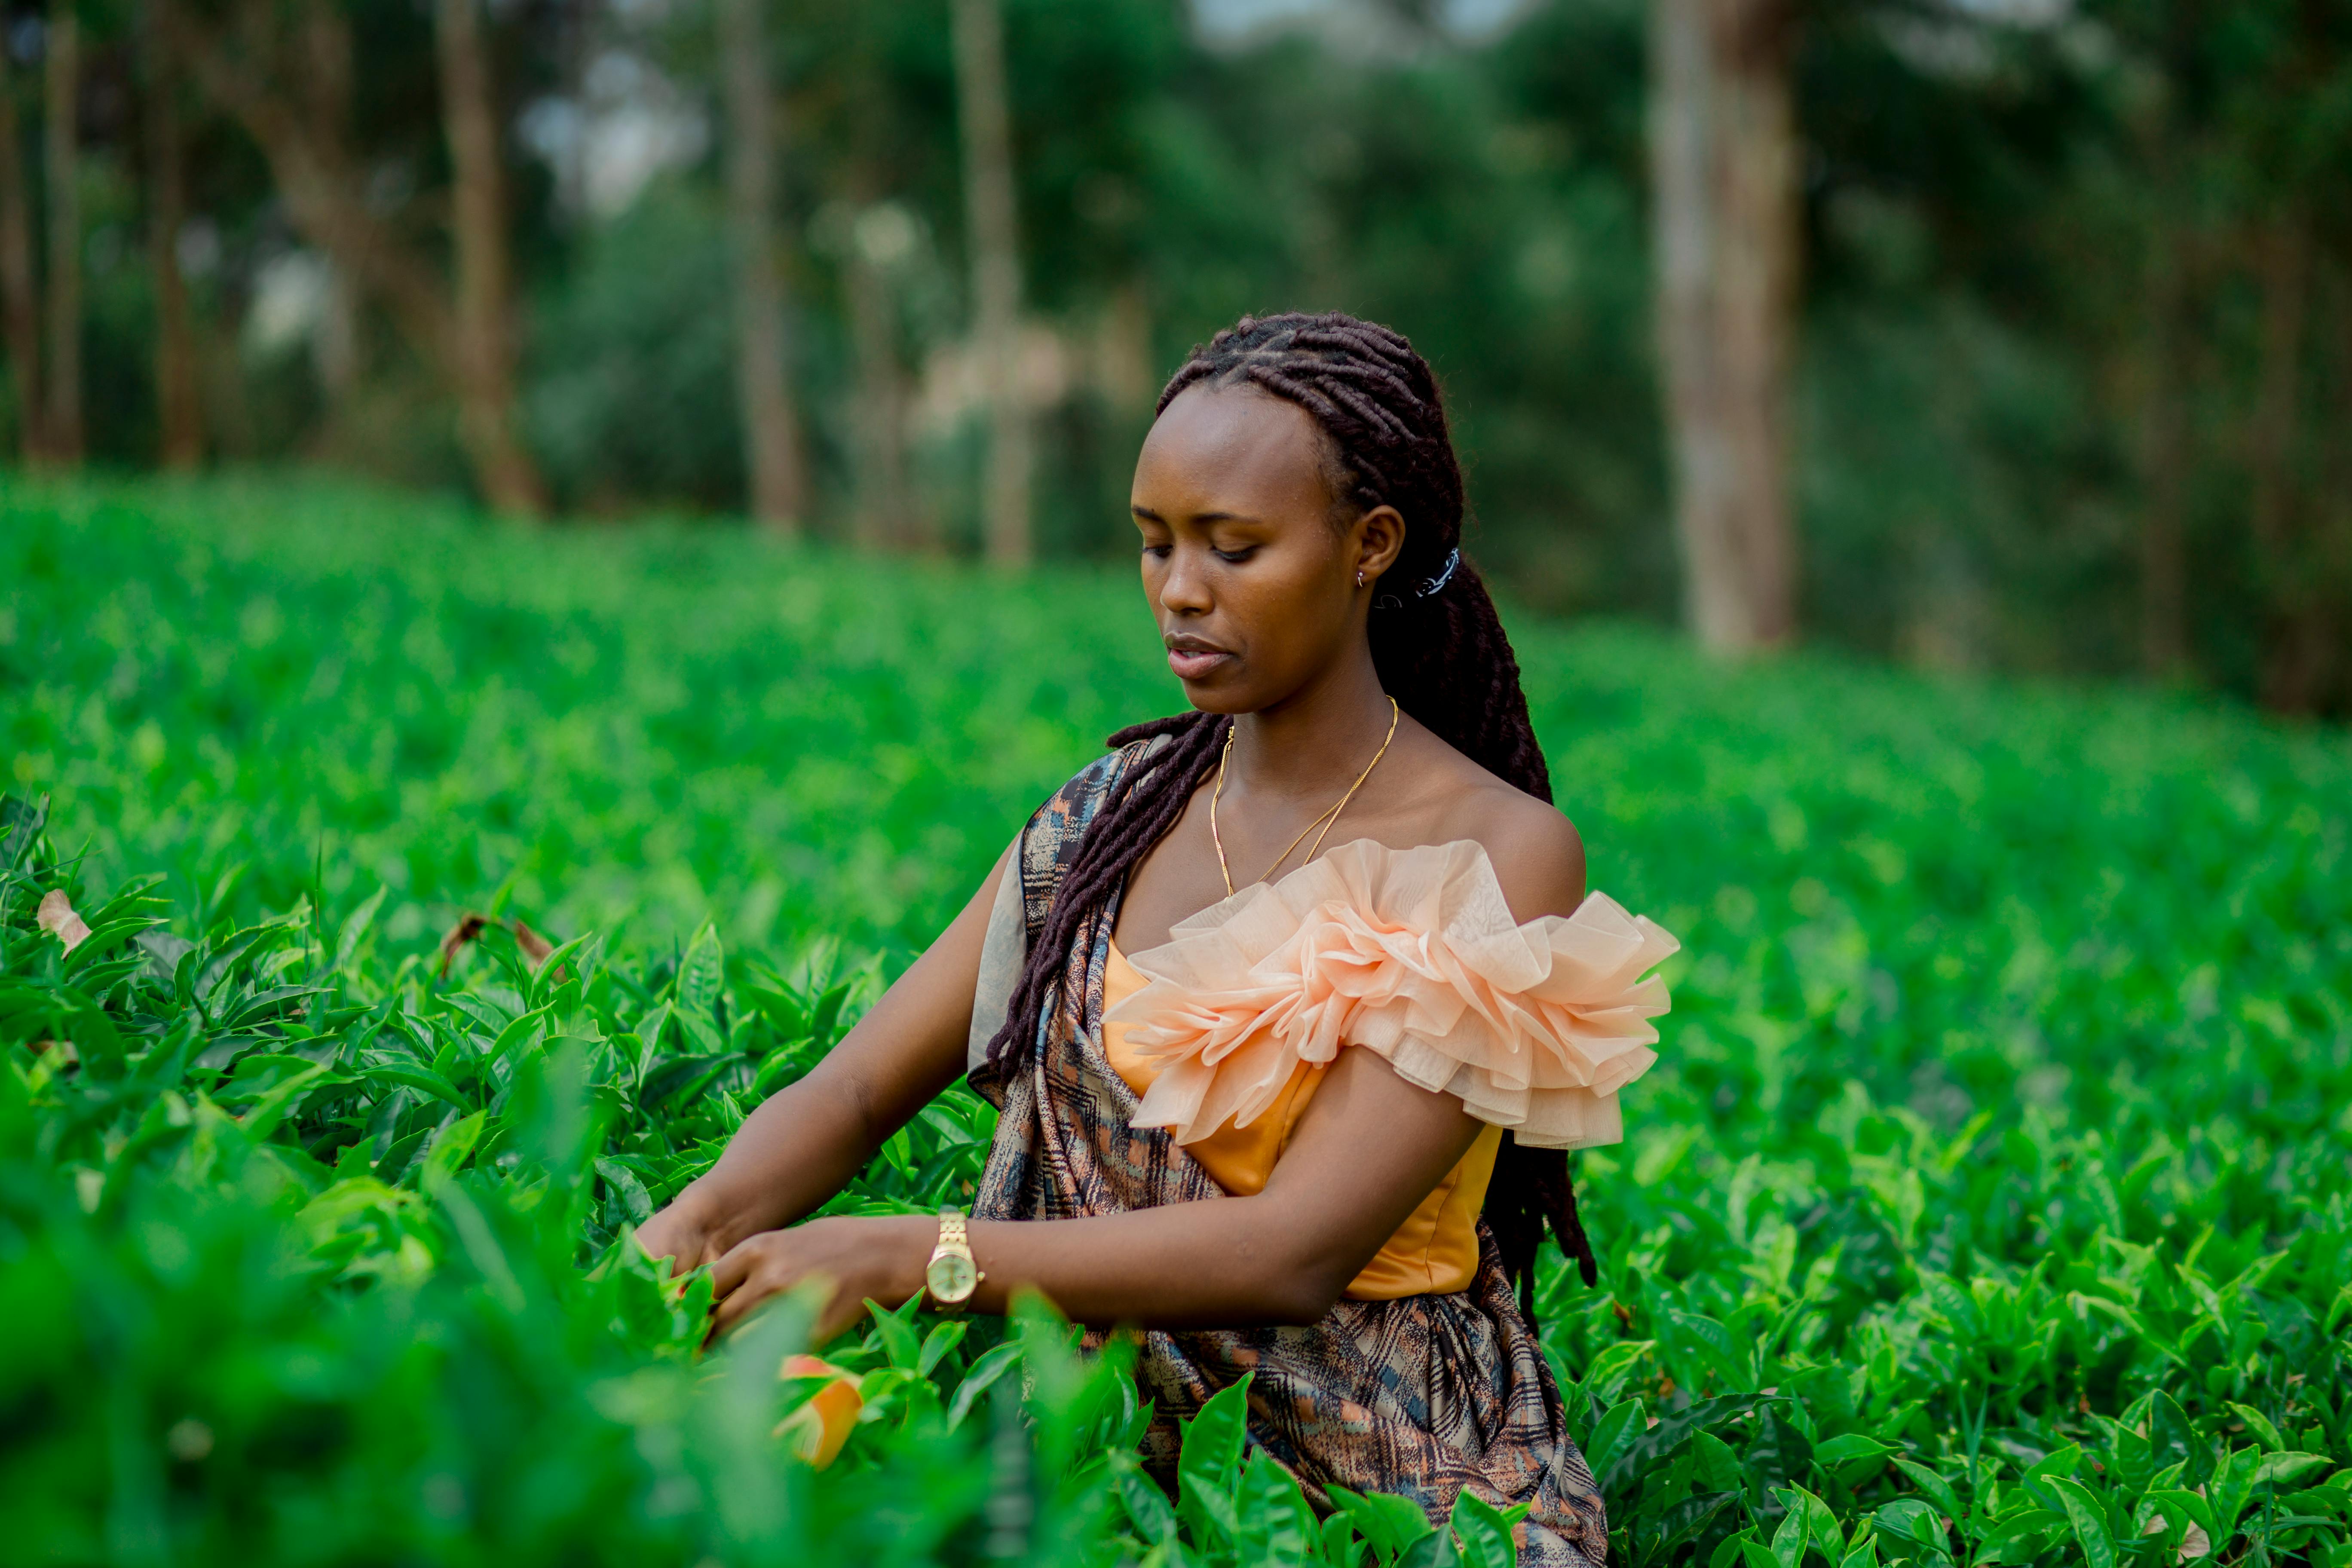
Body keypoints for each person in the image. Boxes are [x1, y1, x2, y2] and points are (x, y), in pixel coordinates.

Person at [637, 311, 1677, 1564]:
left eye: (1235, 549)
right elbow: (858, 1088)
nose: (1181, 592)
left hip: (1376, 1473)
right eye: (1154, 545)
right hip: (1068, 1431)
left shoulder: (1497, 856)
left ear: (1370, 546)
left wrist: (921, 1254)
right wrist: (672, 1249)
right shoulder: (1106, 820)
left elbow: (1297, 1251)